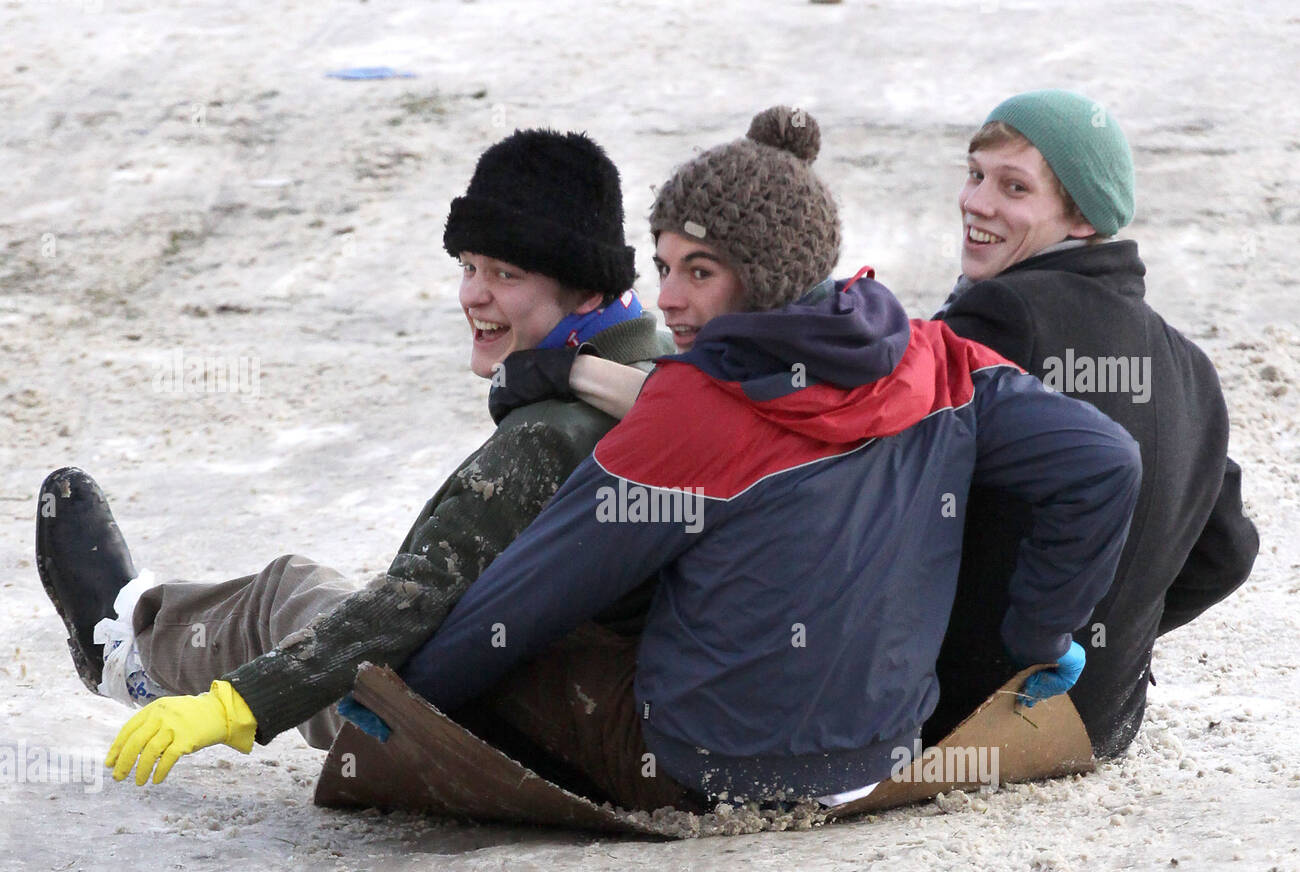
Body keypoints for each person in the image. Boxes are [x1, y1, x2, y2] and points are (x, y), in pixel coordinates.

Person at [392, 106, 1143, 811]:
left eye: (701, 272)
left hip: (709, 768)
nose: (671, 300)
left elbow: (526, 598)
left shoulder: (692, 409)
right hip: (884, 756)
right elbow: (1106, 462)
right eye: (664, 267)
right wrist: (1040, 642)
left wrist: (404, 704)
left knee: (490, 636)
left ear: (767, 273)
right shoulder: (938, 359)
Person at [36, 127, 670, 784]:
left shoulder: (556, 432)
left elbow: (411, 600)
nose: (472, 295)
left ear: (589, 291)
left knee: (289, 596)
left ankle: (123, 648)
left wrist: (238, 705)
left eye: (506, 274)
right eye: (468, 267)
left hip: (521, 733)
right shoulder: (675, 384)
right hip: (630, 710)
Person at [921, 90, 1260, 756]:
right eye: (975, 173)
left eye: (1014, 187)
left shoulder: (1001, 315)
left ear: (1079, 218)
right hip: (1096, 726)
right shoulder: (1191, 369)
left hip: (959, 719)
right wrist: (1108, 635)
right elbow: (1227, 555)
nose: (977, 201)